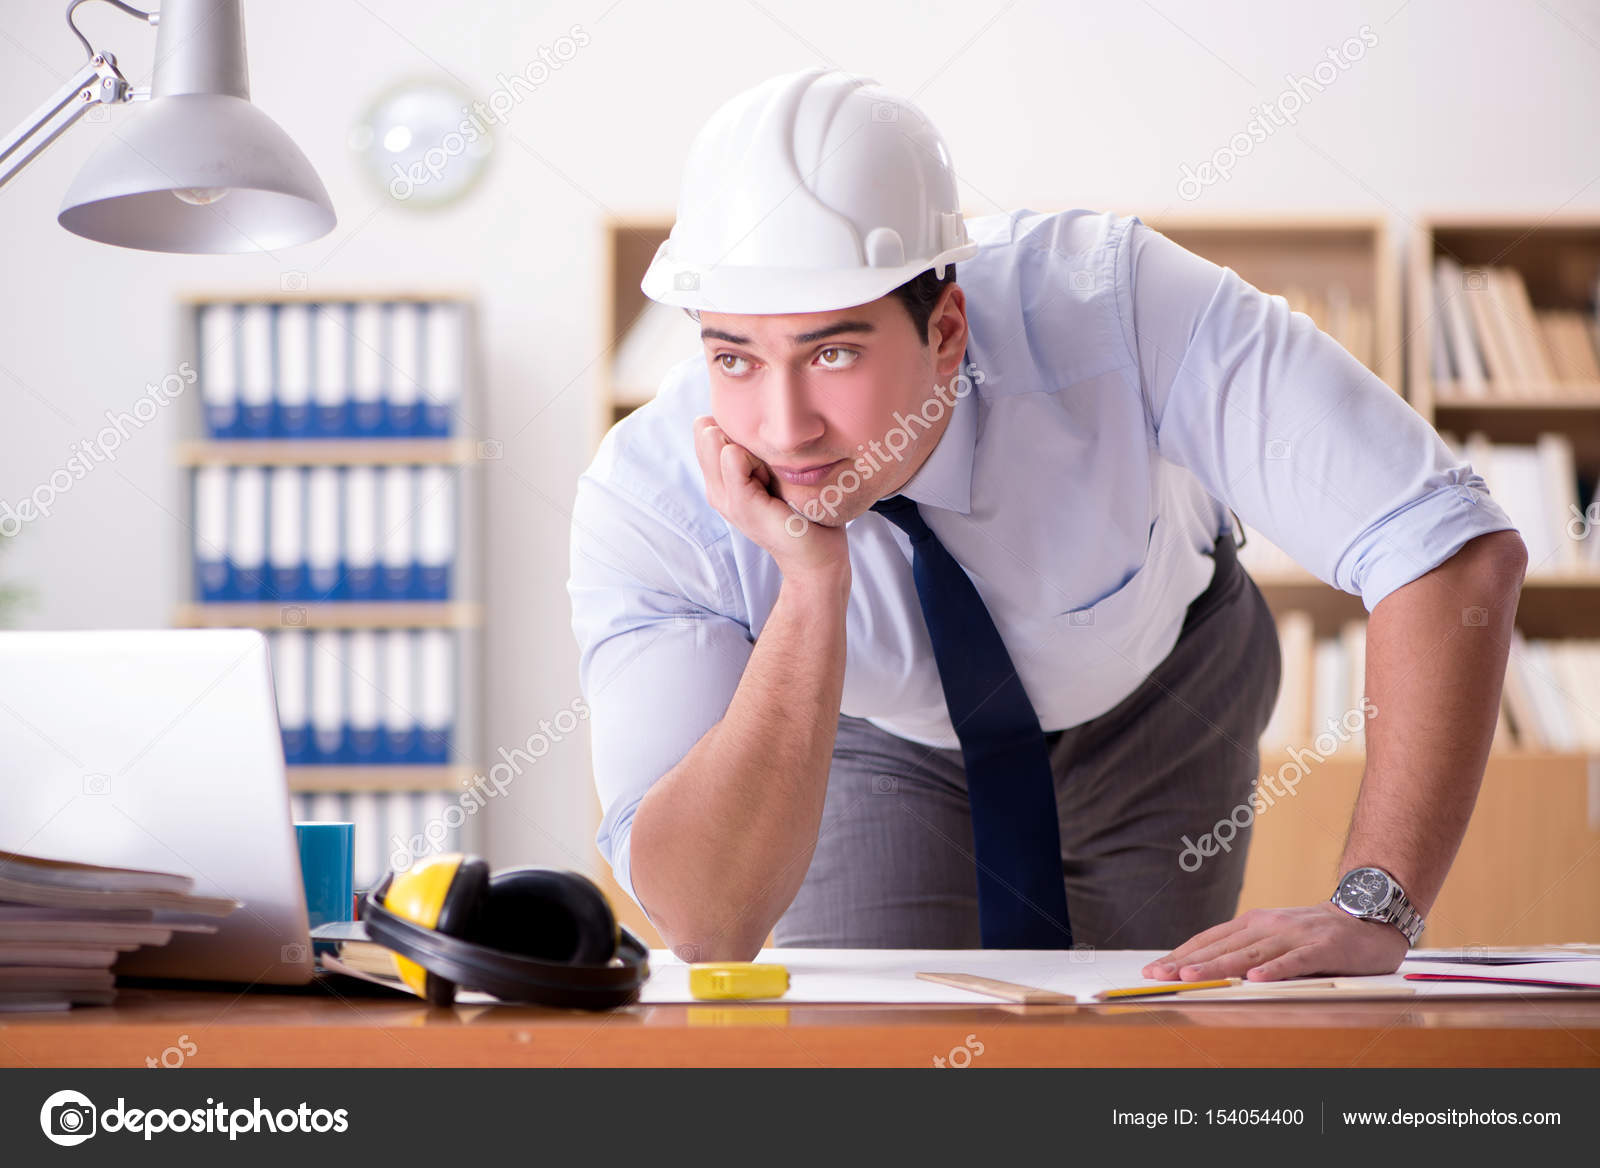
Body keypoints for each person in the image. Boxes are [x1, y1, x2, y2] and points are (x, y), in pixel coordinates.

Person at [567, 68, 1528, 981]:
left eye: (833, 354)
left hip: (1160, 696)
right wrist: (813, 589)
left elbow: (1449, 546)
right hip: (872, 725)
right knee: (887, 1062)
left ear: (947, 328)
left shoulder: (1115, 306)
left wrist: (1377, 906)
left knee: (1127, 1043)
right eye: (734, 358)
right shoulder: (653, 496)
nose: (784, 428)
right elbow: (707, 921)